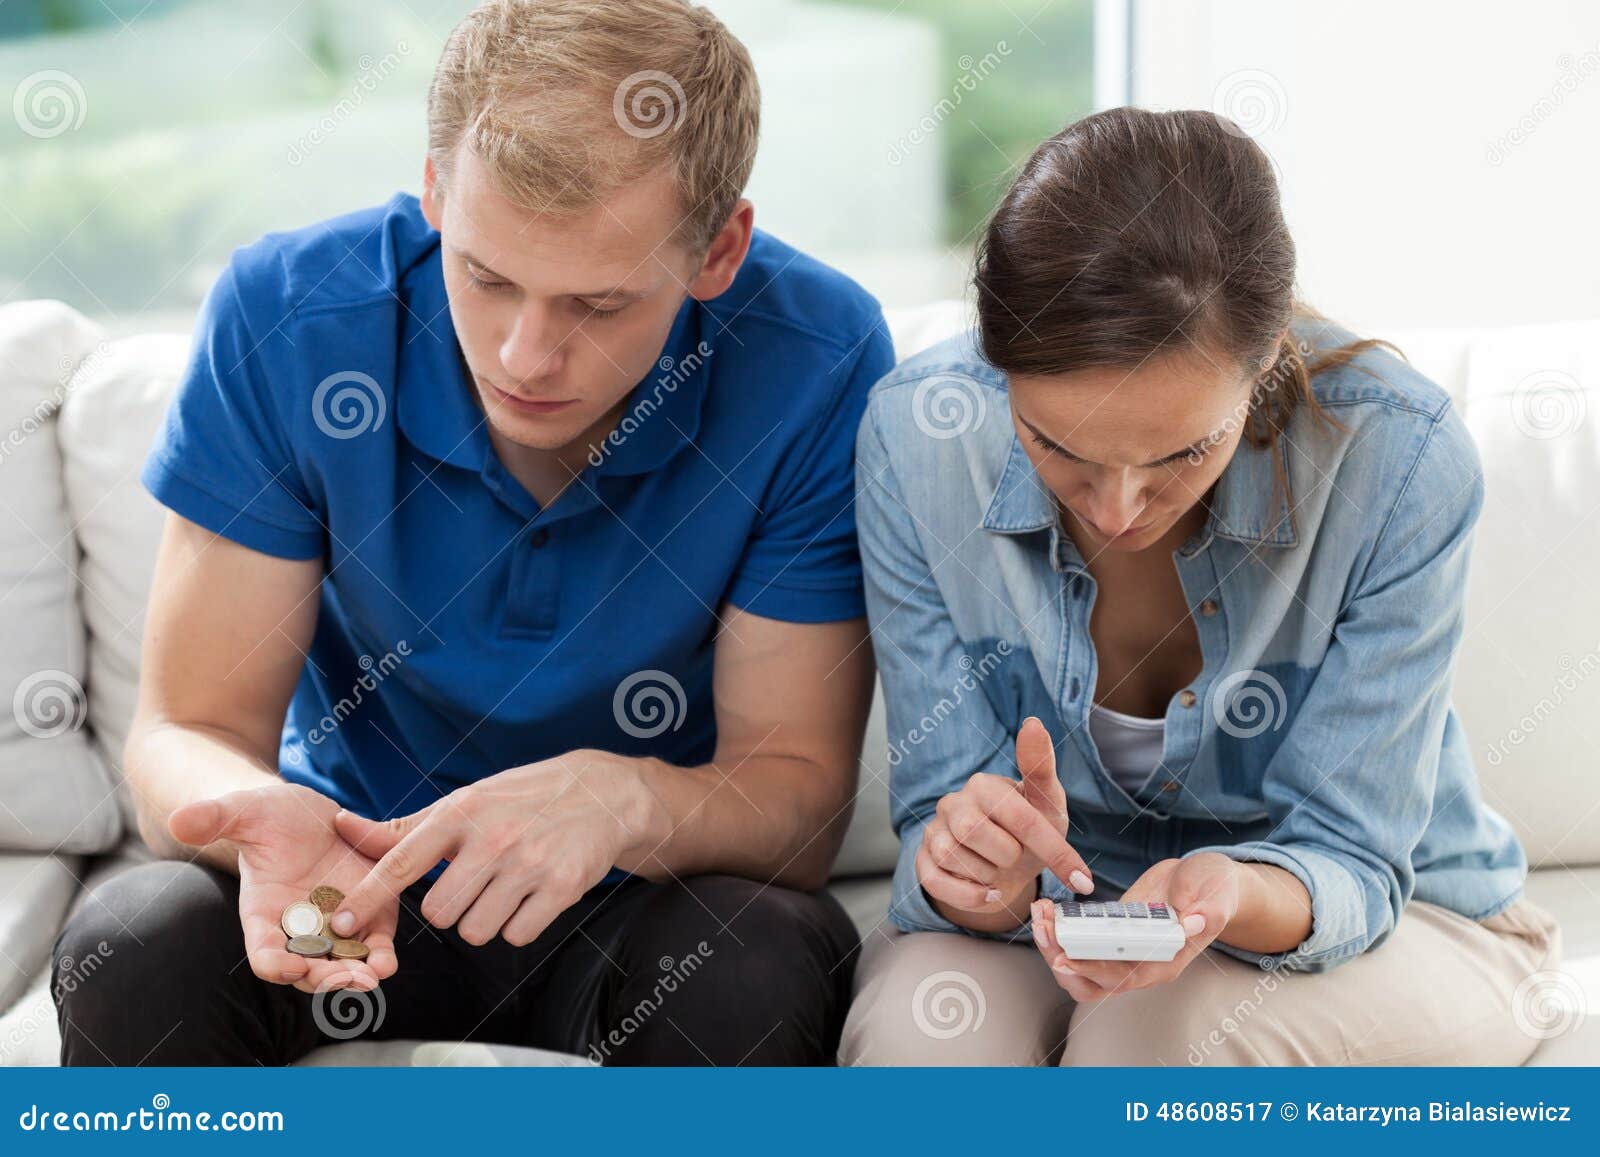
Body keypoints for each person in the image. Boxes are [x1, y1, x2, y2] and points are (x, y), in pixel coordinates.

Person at [53, 0, 890, 1067]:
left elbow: (796, 797)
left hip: (635, 906)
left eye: (598, 304)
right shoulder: (290, 317)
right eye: (488, 278)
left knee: (756, 956)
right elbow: (186, 729)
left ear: (719, 248)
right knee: (133, 939)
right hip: (347, 883)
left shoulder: (814, 355)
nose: (525, 356)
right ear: (437, 192)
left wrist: (623, 797)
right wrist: (262, 813)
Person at [841, 107, 1560, 1067]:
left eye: (1181, 452)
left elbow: (1354, 854)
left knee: (1146, 1044)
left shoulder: (1400, 459)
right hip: (1049, 924)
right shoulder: (918, 438)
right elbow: (941, 807)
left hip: (1393, 915)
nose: (1117, 508)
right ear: (997, 361)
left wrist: (1232, 890)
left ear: (1265, 363)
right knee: (920, 1049)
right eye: (1057, 445)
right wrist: (992, 874)